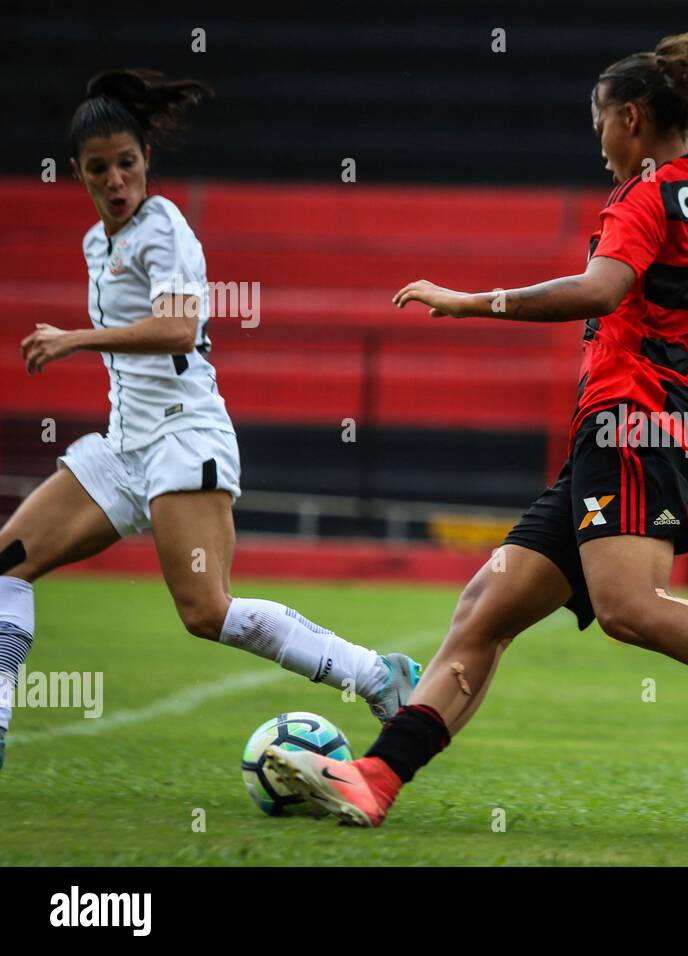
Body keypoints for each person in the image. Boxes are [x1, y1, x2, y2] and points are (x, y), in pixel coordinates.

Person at [267, 9, 688, 827]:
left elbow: (598, 290)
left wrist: (471, 303)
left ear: (630, 118)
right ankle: (376, 778)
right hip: (639, 428)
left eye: (600, 125)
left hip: (632, 417)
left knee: (629, 606)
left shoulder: (645, 194)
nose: (601, 145)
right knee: (488, 606)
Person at [0, 70, 421, 772]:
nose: (115, 179)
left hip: (182, 436)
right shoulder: (94, 245)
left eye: (126, 163)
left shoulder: (164, 227)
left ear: (146, 161)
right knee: (8, 565)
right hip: (123, 446)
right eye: (98, 168)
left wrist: (75, 338)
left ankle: (380, 676)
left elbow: (176, 327)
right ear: (75, 173)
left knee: (206, 612)